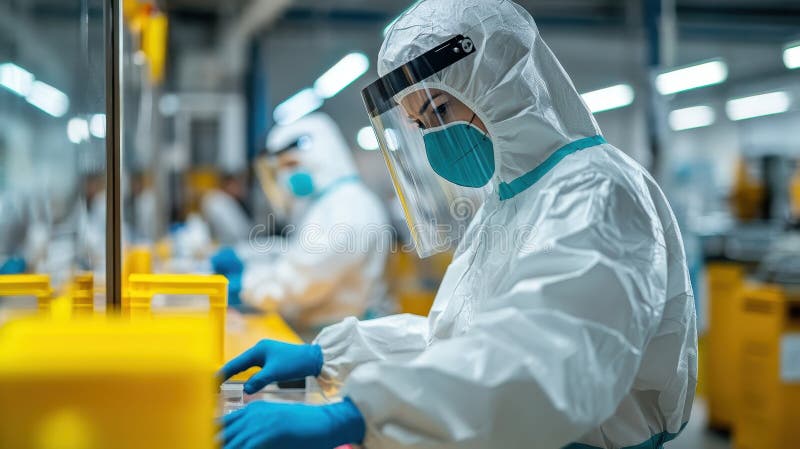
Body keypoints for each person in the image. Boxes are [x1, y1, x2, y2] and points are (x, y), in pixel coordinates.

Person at [219, 1, 697, 448]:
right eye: (421, 127)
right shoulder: (509, 201)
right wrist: (333, 356)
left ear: (502, 83)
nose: (435, 140)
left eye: (439, 112)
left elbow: (540, 366)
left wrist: (361, 412)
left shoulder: (597, 191)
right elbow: (457, 339)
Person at [212, 112, 391, 332]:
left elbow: (306, 281)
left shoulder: (348, 206)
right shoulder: (326, 202)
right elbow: (301, 252)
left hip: (340, 332)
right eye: (283, 168)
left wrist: (246, 286)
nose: (287, 176)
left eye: (292, 165)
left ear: (322, 157)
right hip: (327, 326)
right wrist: (245, 257)